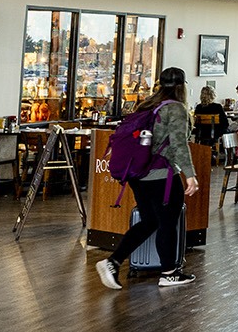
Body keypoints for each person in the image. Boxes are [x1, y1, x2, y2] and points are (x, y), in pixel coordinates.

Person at [95, 67, 199, 290]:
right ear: (183, 86)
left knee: (150, 221)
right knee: (168, 223)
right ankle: (170, 273)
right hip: (162, 175)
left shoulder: (147, 105)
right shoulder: (177, 109)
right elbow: (179, 144)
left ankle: (112, 262)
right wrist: (190, 175)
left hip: (139, 174)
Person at [191, 86, 227, 154]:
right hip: (215, 133)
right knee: (228, 130)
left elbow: (195, 123)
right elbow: (225, 123)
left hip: (201, 133)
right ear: (213, 95)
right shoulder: (217, 107)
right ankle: (224, 154)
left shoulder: (198, 107)